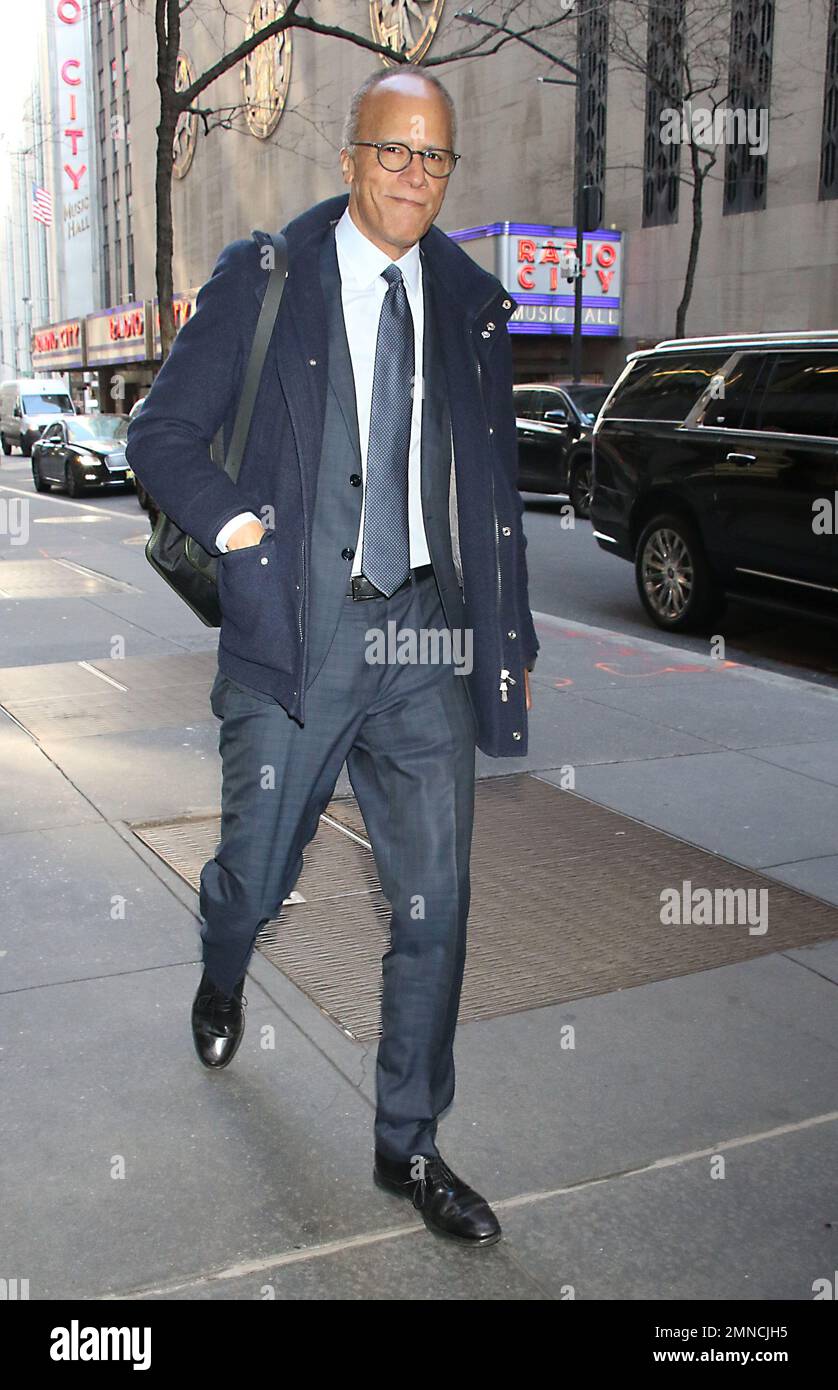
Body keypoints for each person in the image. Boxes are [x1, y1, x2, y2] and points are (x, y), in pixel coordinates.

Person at [126, 65, 538, 1248]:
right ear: (351, 158)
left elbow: (490, 492)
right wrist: (241, 534)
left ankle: (408, 1144)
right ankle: (223, 962)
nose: (414, 175)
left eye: (434, 158)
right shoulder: (268, 277)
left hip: (425, 642)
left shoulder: (467, 302)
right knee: (256, 876)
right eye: (393, 151)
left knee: (436, 903)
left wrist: (500, 637)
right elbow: (160, 435)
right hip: (299, 637)